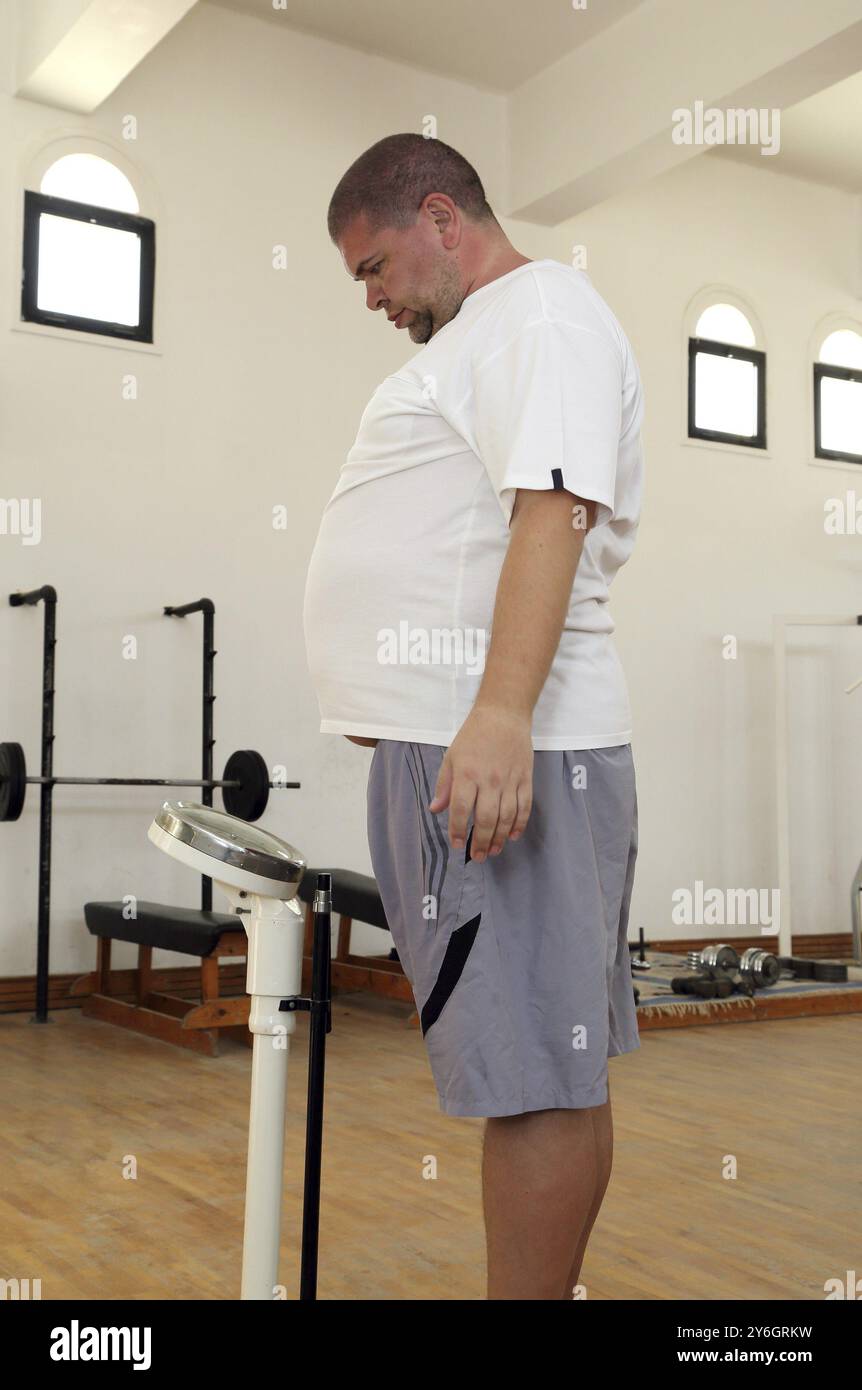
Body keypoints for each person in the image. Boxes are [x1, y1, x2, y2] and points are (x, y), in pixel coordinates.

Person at [302, 133, 645, 1300]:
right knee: (547, 1065)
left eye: (375, 266)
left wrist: (498, 714)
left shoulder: (537, 314)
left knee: (538, 1075)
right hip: (470, 747)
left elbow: (552, 507)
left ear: (442, 218)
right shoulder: (496, 338)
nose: (373, 298)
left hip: (506, 752)